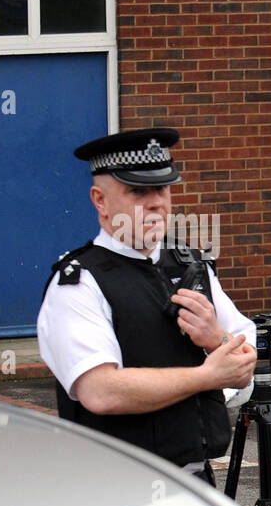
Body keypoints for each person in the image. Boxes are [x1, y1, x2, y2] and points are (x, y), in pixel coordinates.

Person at [37, 128, 257, 484]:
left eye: (163, 188)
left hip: (195, 480)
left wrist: (218, 340)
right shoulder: (79, 283)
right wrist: (207, 375)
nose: (157, 202)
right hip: (113, 486)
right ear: (101, 201)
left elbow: (245, 355)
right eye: (138, 191)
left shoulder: (191, 266)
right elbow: (100, 391)